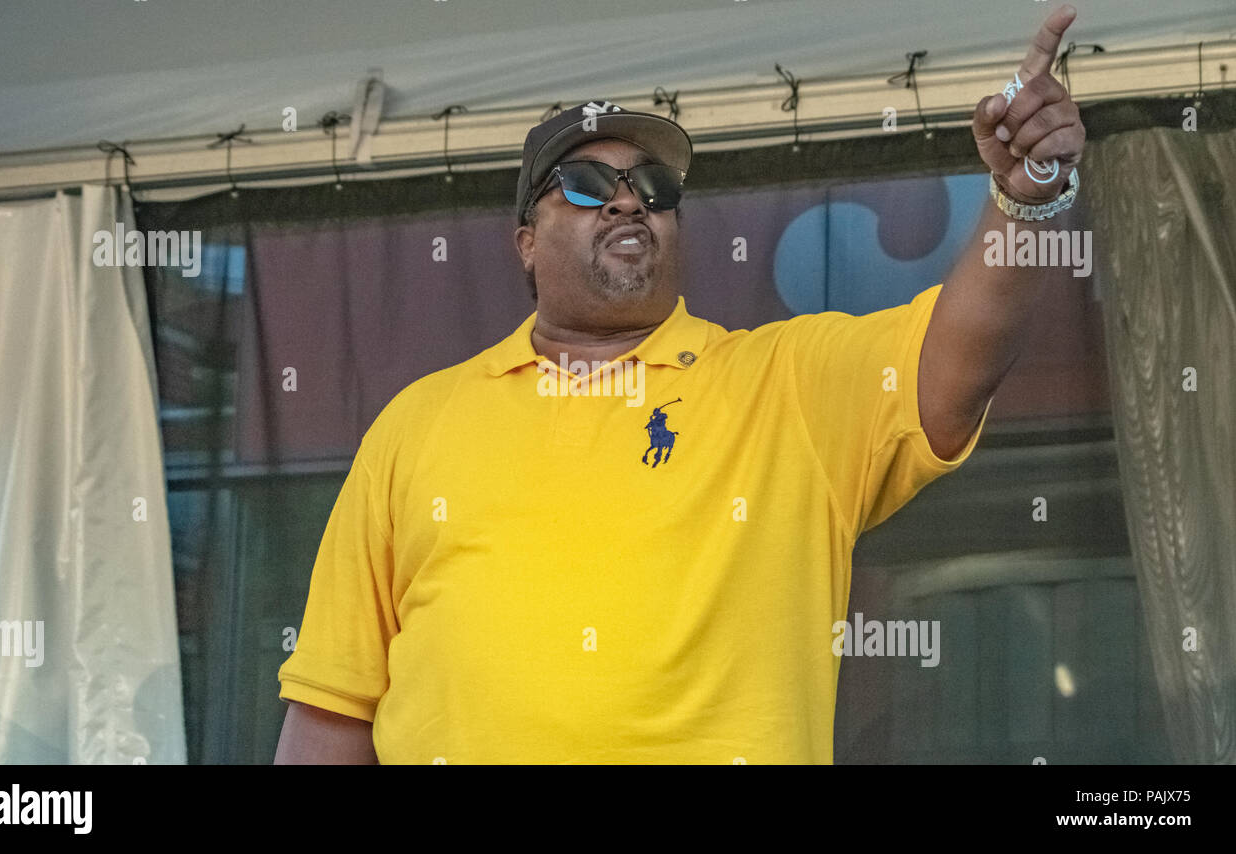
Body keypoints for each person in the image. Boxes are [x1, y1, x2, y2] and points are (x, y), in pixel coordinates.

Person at [274, 6, 1086, 764]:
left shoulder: (784, 386)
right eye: (588, 185)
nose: (629, 201)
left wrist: (1025, 199)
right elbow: (330, 710)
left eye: (655, 190)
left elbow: (959, 363)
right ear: (526, 242)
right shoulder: (417, 425)